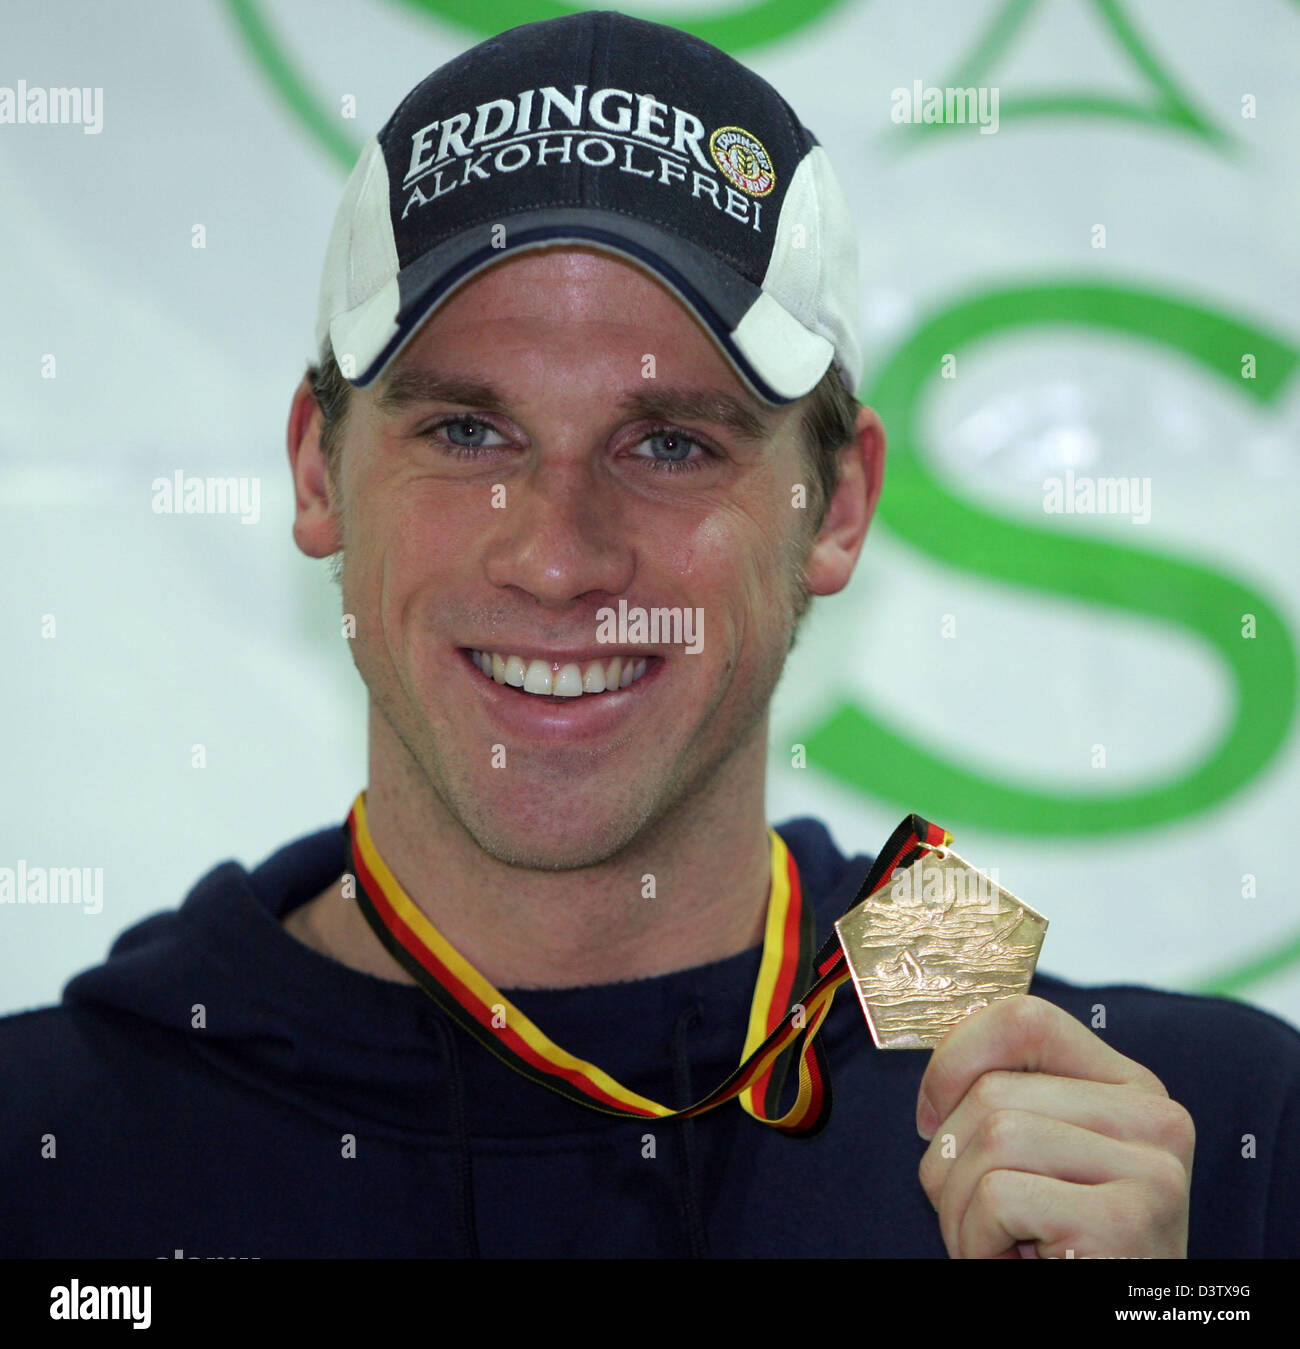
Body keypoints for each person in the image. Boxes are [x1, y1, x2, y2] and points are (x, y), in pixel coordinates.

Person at [1, 10, 1296, 1260]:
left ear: (839, 506)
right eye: (469, 432)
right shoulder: (45, 1152)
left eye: (670, 444)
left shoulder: (1185, 1146)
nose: (558, 556)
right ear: (316, 471)